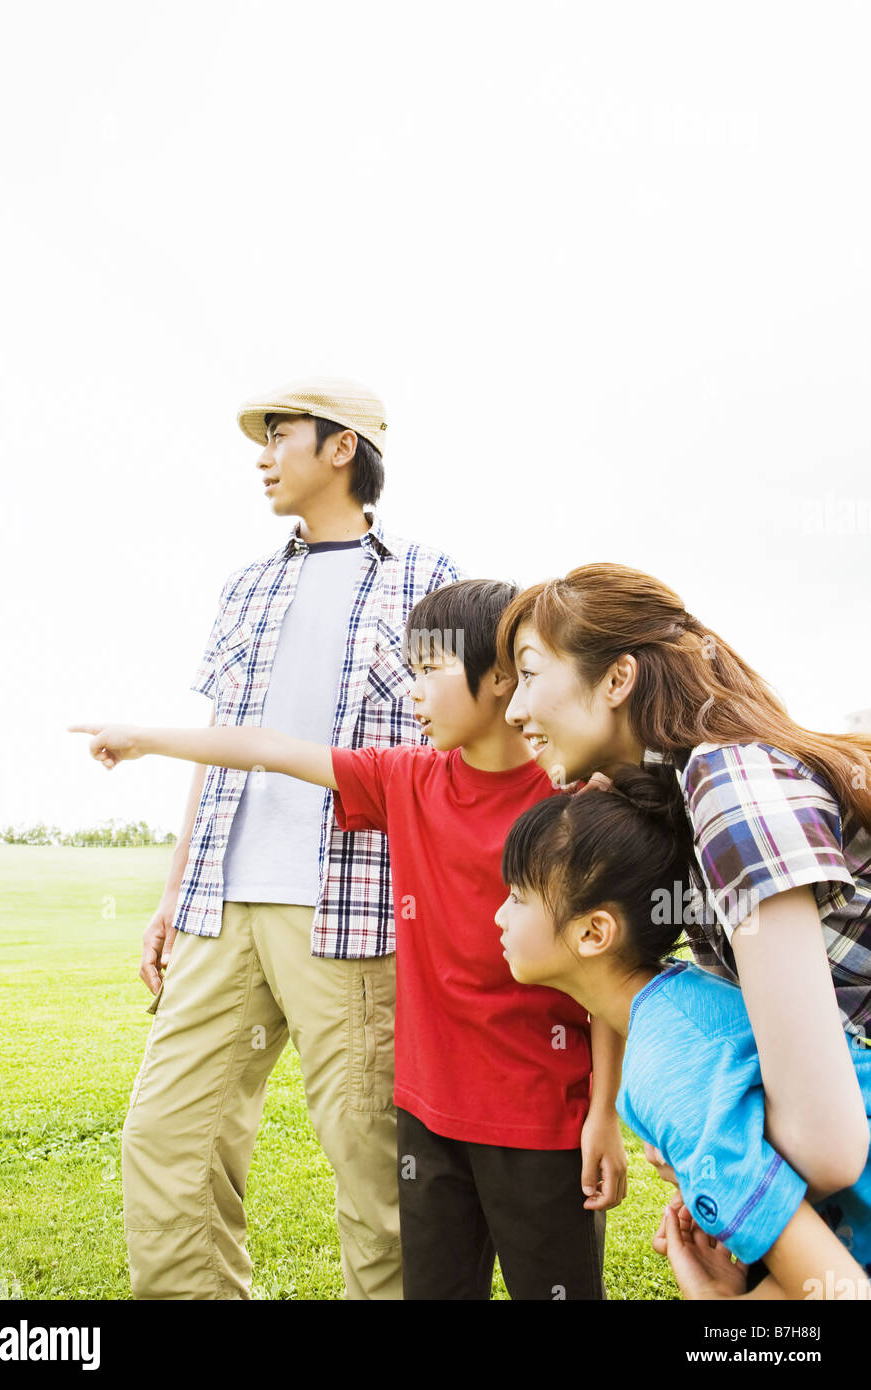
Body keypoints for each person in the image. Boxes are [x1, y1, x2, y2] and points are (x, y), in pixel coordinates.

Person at [70, 578, 628, 1300]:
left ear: (500, 678)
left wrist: (604, 1115)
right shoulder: (406, 779)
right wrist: (146, 740)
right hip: (426, 1122)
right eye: (411, 672)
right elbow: (268, 747)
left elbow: (605, 982)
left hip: (545, 1127)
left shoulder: (573, 806)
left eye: (430, 671)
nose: (414, 693)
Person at [90, 376, 461, 1300]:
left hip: (355, 909)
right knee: (168, 1136)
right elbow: (219, 752)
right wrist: (174, 892)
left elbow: (454, 748)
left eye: (279, 435)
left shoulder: (430, 578)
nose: (262, 456)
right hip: (221, 905)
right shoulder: (246, 586)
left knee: (373, 1166)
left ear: (342, 448)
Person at [496, 562, 871, 1286]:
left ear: (616, 681)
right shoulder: (686, 796)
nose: (514, 711)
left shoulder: (731, 788)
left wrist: (708, 1140)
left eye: (529, 674)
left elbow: (827, 1146)